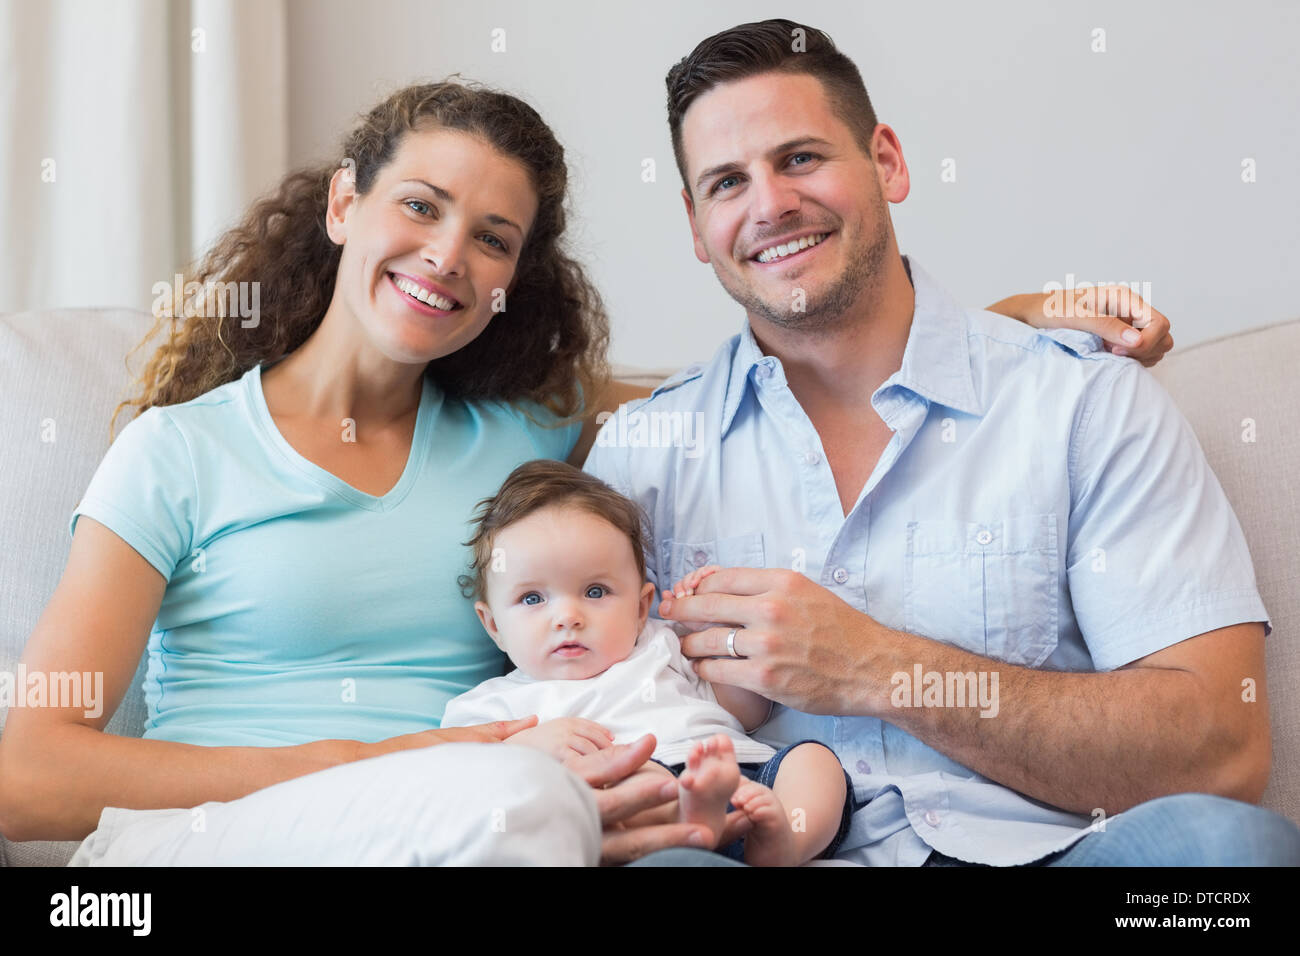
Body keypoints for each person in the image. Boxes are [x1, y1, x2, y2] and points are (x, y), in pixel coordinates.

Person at [0, 74, 1175, 866]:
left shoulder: (525, 439)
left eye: (493, 239)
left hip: (479, 835)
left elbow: (779, 362)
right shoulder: (180, 450)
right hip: (233, 838)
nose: (447, 257)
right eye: (419, 205)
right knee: (519, 799)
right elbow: (27, 768)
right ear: (344, 206)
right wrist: (404, 759)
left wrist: (1012, 322)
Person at [582, 18, 1300, 866]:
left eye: (801, 158)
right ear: (697, 227)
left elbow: (1219, 752)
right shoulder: (643, 457)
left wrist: (878, 668)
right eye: (728, 181)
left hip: (1056, 860)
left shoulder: (1080, 402)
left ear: (885, 161)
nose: (770, 204)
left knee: (1223, 854)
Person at [441, 459, 853, 864]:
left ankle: (785, 845)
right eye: (533, 599)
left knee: (815, 762)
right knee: (637, 778)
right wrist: (526, 746)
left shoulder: (664, 645)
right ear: (493, 624)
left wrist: (713, 628)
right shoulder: (492, 706)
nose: (568, 617)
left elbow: (746, 713)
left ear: (641, 608)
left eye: (596, 592)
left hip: (746, 785)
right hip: (633, 802)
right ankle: (690, 816)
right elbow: (456, 780)